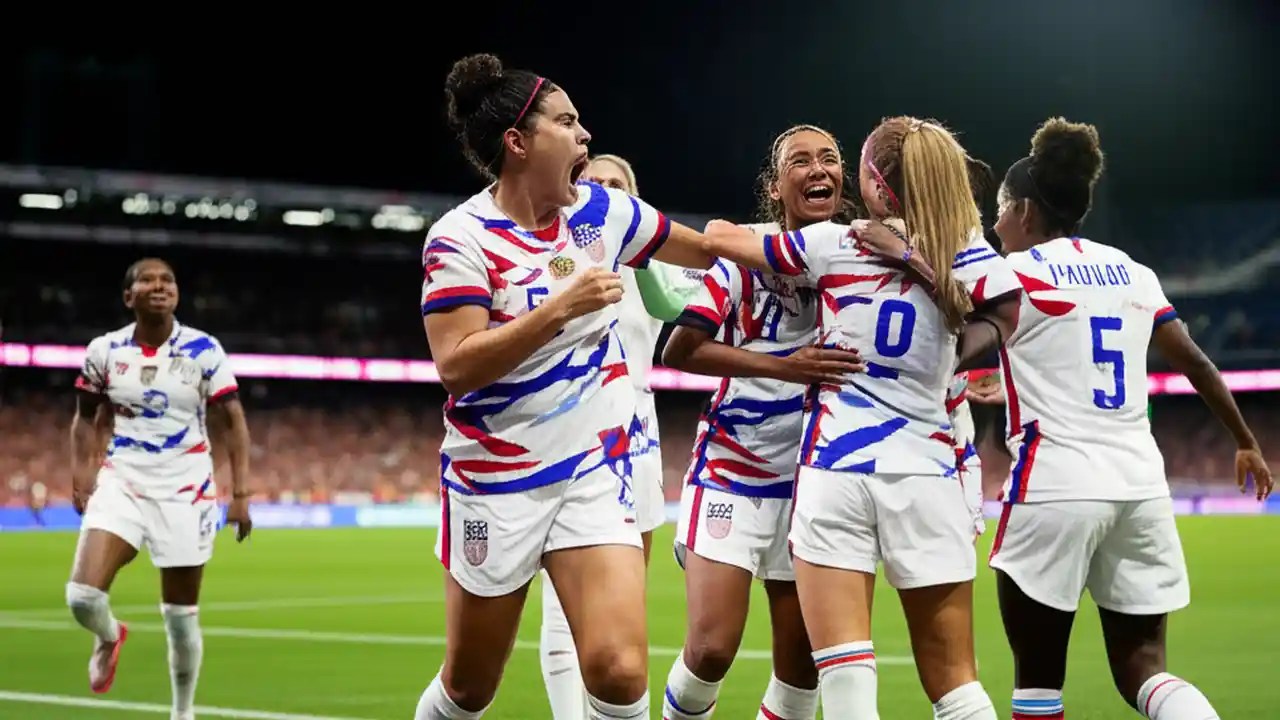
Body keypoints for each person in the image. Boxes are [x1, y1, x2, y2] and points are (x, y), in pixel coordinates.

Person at [417, 53, 714, 720]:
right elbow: (458, 364)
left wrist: (805, 249)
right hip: (496, 479)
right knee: (470, 687)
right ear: (519, 143)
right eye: (568, 122)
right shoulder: (459, 240)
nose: (585, 135)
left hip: (592, 469)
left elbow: (700, 250)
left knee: (619, 671)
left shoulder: (602, 213)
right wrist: (559, 307)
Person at [703, 115, 1023, 720]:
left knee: (848, 681)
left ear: (874, 185)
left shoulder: (834, 242)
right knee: (956, 685)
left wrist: (721, 237)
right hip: (929, 474)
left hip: (835, 472)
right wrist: (951, 336)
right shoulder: (963, 245)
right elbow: (1006, 311)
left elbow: (723, 240)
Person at [975, 117, 1273, 720]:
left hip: (1053, 484)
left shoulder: (1011, 274)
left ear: (1027, 212)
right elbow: (1194, 361)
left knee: (1037, 683)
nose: (996, 222)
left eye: (1003, 209)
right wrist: (1245, 440)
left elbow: (964, 338)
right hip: (1139, 486)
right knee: (1145, 667)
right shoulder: (1133, 272)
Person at [659, 124, 865, 720]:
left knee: (802, 670)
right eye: (800, 162)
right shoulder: (744, 255)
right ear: (776, 187)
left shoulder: (856, 254)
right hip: (733, 466)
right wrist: (784, 366)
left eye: (830, 158)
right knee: (711, 648)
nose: (818, 169)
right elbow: (680, 349)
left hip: (817, 479)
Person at [537, 153, 703, 720]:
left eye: (618, 187)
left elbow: (681, 305)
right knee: (563, 606)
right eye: (595, 184)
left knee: (624, 592)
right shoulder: (555, 261)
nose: (605, 193)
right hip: (569, 423)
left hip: (637, 430)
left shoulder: (652, 268)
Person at [68, 257, 254, 720]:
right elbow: (84, 416)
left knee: (179, 615)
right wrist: (82, 472)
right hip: (123, 478)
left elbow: (233, 419)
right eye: (147, 280)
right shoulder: (104, 351)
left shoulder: (204, 349)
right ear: (128, 297)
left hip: (186, 488)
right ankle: (110, 635)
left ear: (177, 293)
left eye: (167, 280)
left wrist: (242, 493)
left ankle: (182, 712)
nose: (159, 286)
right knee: (82, 596)